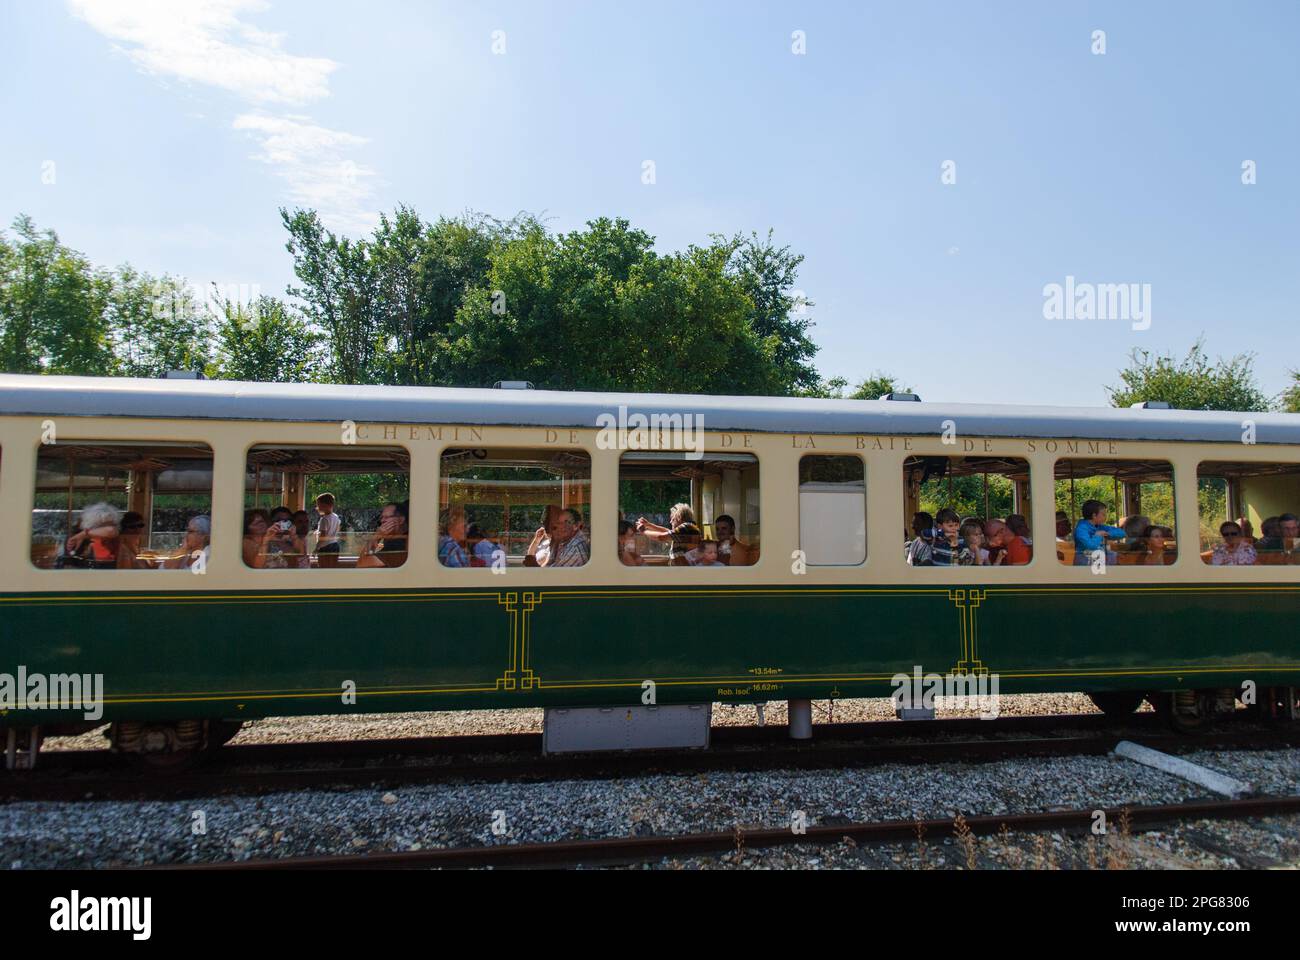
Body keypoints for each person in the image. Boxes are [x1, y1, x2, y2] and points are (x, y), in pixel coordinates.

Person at [63, 502, 122, 568]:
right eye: (103, 526)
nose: (106, 529)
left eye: (112, 524)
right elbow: (68, 564)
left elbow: (111, 531)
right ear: (92, 524)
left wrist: (84, 534)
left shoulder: (112, 538)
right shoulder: (79, 539)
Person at [1073, 499, 1125, 565]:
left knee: (1116, 556)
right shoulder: (1081, 529)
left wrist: (1108, 534)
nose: (1106, 517)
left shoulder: (1099, 526)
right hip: (1084, 565)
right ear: (1094, 515)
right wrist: (1098, 535)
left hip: (1096, 563)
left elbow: (1122, 533)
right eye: (1103, 514)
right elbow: (1090, 546)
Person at [358, 502, 408, 568]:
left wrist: (376, 536)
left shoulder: (396, 543)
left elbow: (361, 564)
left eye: (387, 517)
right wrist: (378, 537)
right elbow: (377, 549)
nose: (382, 520)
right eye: (382, 517)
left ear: (401, 520)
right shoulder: (386, 540)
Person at [315, 492, 341, 568]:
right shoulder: (336, 517)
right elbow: (336, 529)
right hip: (335, 545)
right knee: (332, 567)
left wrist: (317, 547)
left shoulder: (324, 519)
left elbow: (323, 535)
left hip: (325, 547)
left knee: (323, 567)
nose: (317, 507)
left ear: (325, 505)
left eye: (318, 505)